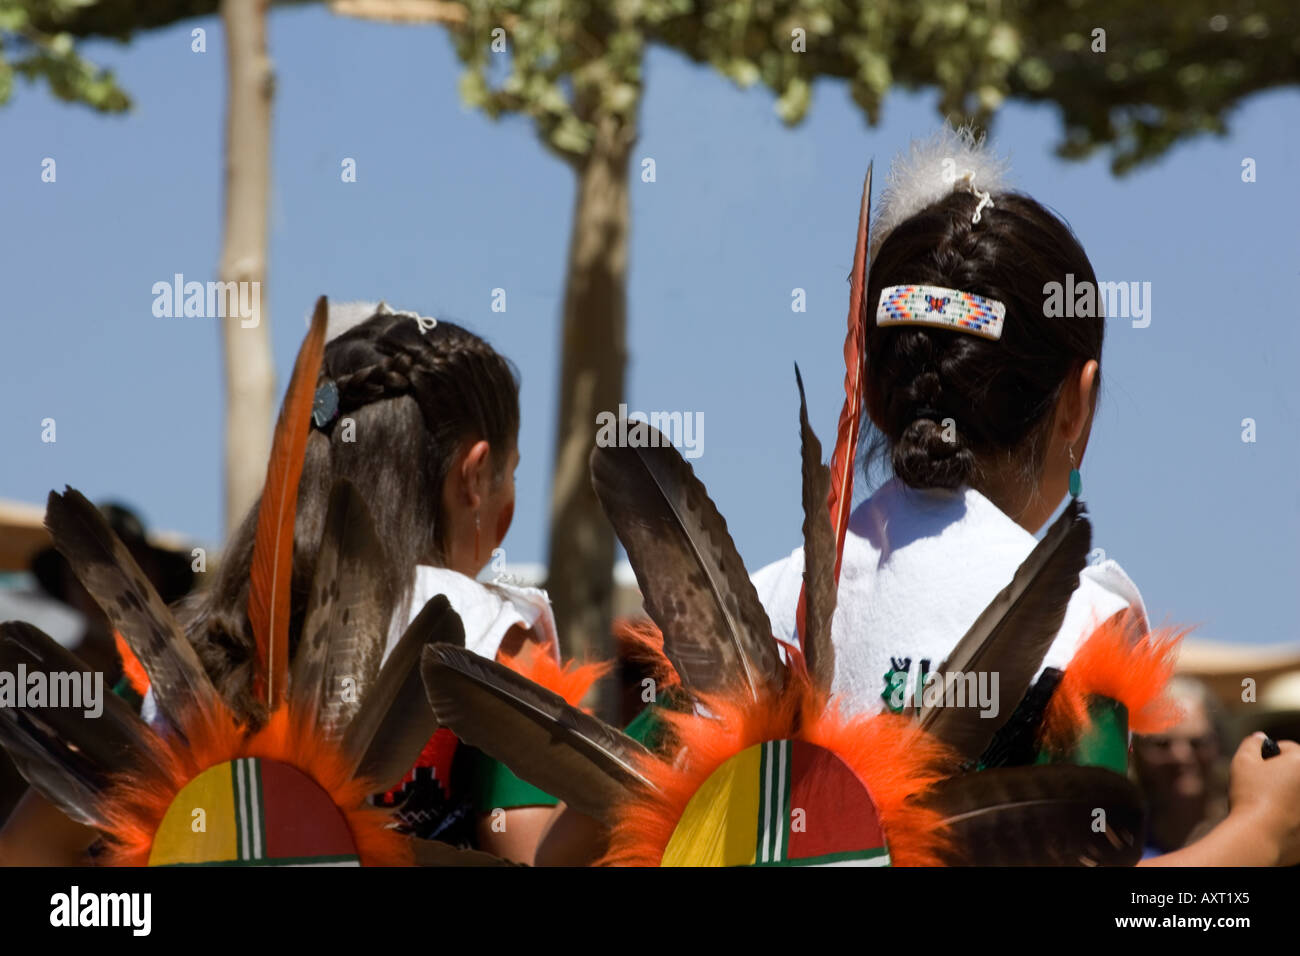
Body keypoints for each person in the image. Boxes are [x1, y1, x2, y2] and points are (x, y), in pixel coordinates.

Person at [750, 129, 1300, 867]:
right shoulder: (1075, 627)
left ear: (876, 396)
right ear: (1078, 403)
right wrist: (1259, 832)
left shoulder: (762, 610)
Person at [0, 300, 561, 865]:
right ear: (473, 475)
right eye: (509, 475)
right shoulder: (483, 632)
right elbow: (536, 855)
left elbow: (26, 849)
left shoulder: (181, 652)